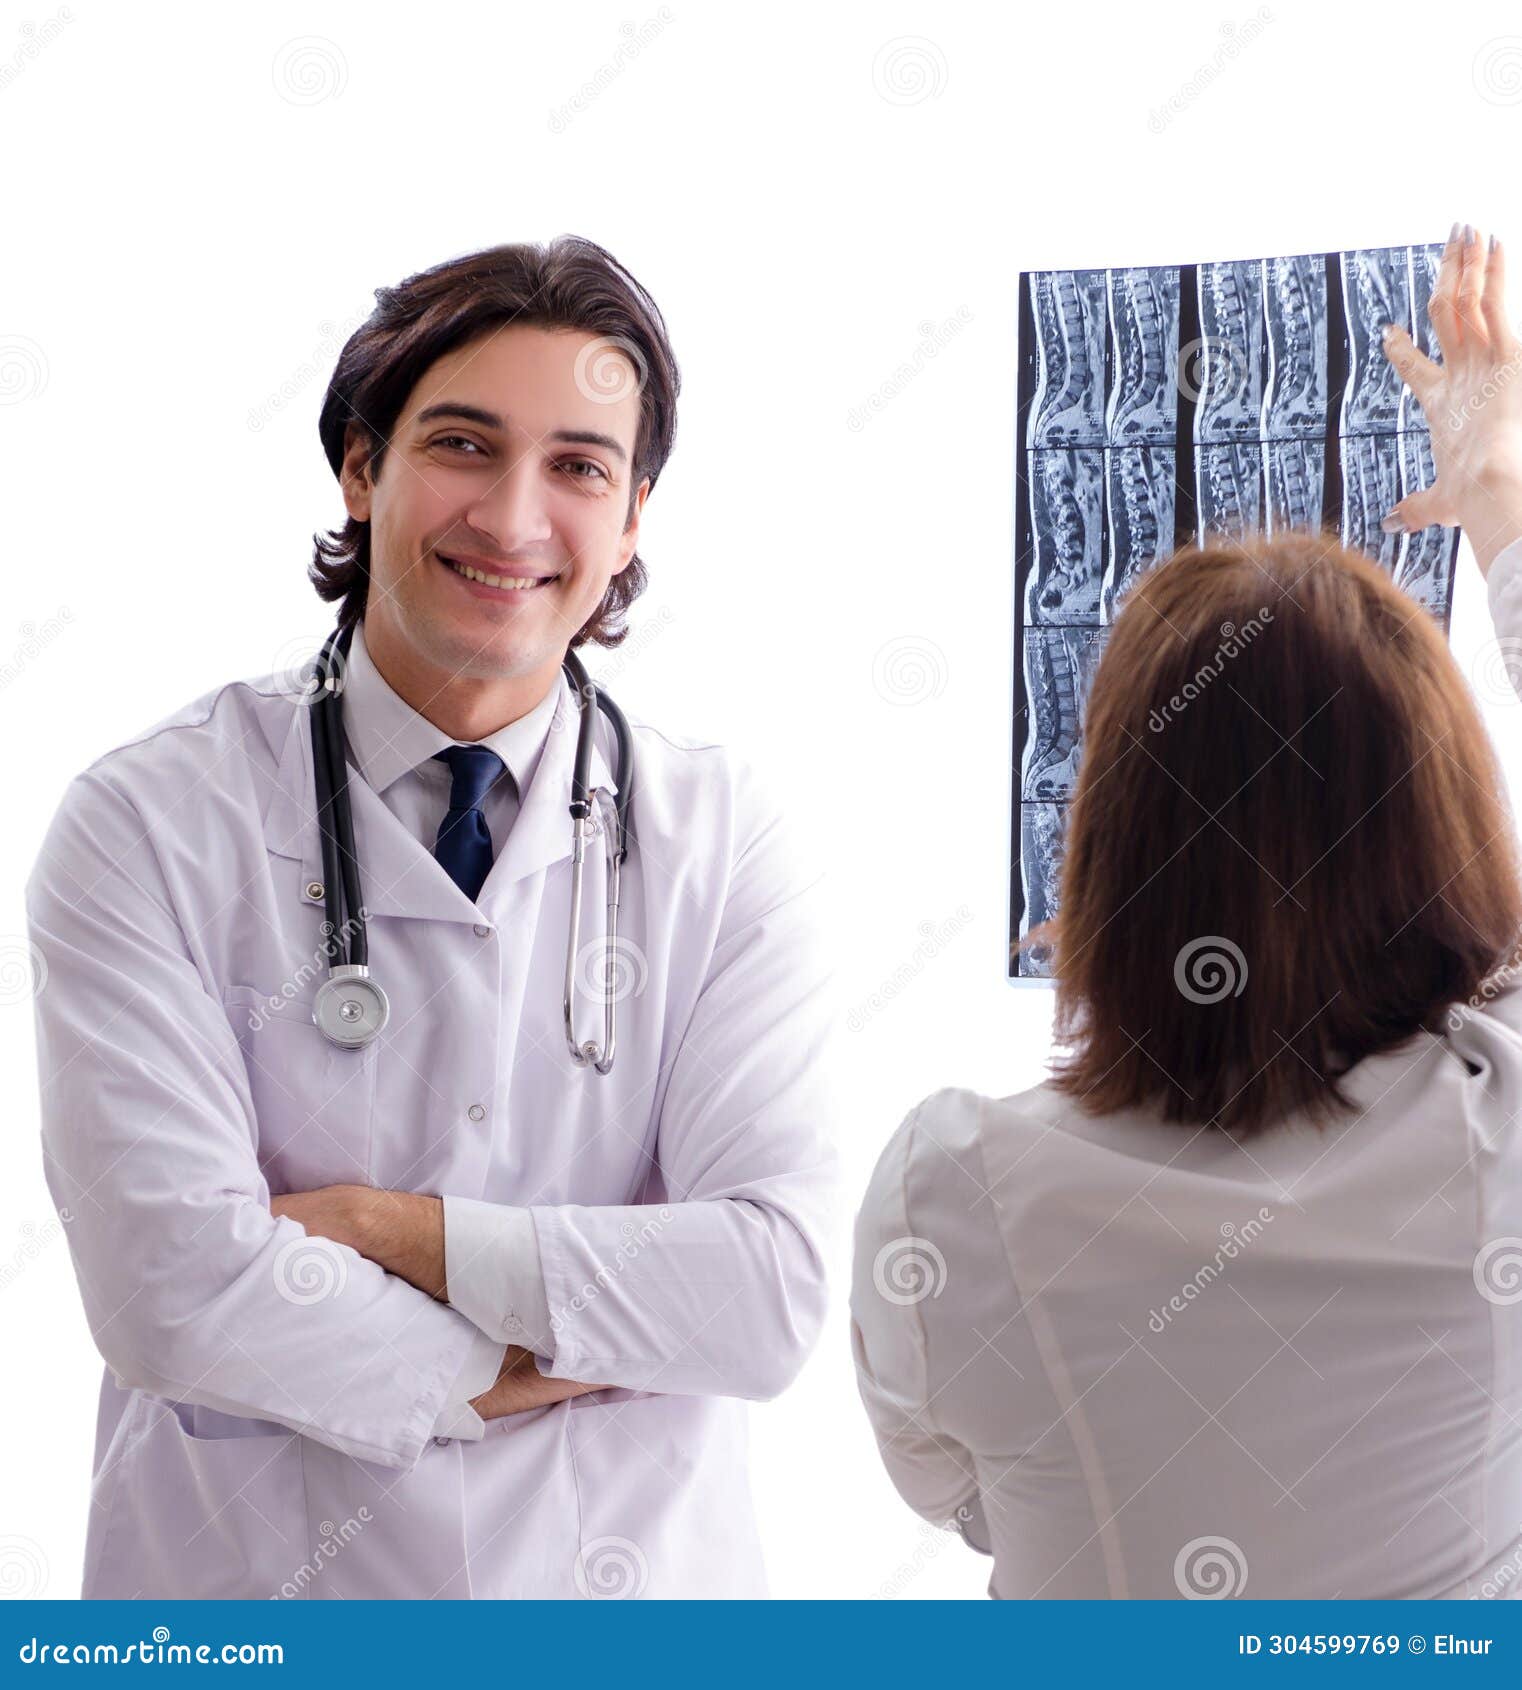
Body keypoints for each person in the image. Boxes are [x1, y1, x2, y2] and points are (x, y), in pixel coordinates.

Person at [27, 235, 839, 1600]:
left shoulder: (720, 837)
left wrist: (389, 1233)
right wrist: (577, 1340)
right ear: (361, 466)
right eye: (464, 445)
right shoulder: (149, 824)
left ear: (633, 516)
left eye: (578, 466)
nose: (514, 520)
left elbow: (766, 1296)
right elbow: (171, 1290)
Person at [850, 222, 1522, 1599]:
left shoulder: (956, 1187)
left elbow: (965, 1490)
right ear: (1444, 820)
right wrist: (1499, 497)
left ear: (1104, 836)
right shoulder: (1497, 1131)